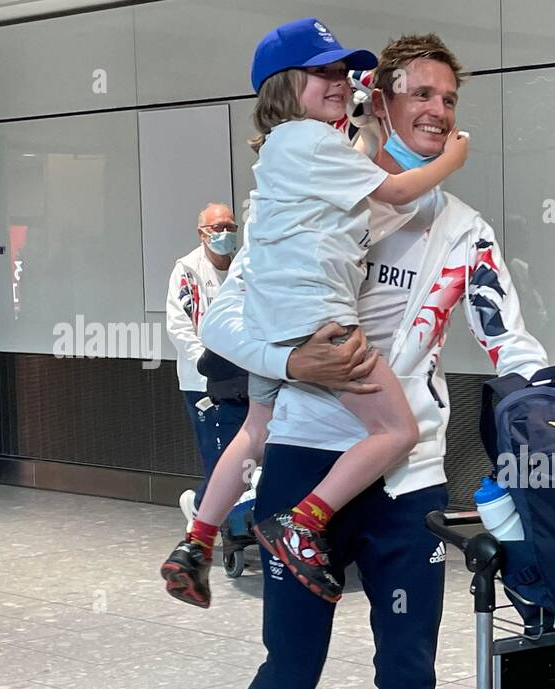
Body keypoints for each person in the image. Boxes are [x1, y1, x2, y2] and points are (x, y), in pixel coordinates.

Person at [200, 31, 549, 689]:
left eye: (449, 100)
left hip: (409, 479)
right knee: (292, 669)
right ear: (378, 101)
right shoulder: (315, 181)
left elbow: (511, 343)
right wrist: (289, 356)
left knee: (410, 688)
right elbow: (228, 319)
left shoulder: (464, 228)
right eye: (420, 95)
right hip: (307, 462)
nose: (437, 112)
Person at [160, 18, 467, 609]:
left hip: (280, 322)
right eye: (321, 72)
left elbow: (364, 156)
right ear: (282, 84)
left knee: (255, 429)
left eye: (342, 73)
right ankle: (304, 523)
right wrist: (453, 157)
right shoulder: (313, 145)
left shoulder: (296, 154)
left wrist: (369, 117)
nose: (338, 82)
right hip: (319, 320)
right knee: (398, 430)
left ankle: (197, 540)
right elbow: (394, 189)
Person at [165, 203, 243, 523]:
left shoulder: (245, 266)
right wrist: (207, 365)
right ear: (202, 234)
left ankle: (219, 514)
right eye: (217, 228)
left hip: (244, 381)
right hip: (203, 383)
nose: (225, 234)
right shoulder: (188, 270)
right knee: (217, 455)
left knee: (243, 459)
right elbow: (179, 325)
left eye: (230, 227)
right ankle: (204, 511)